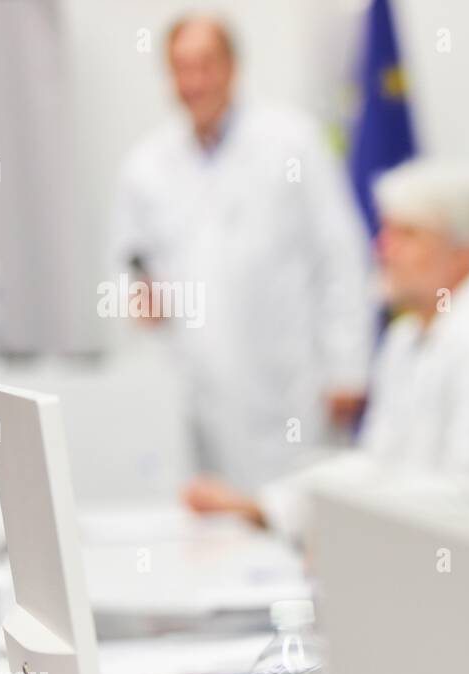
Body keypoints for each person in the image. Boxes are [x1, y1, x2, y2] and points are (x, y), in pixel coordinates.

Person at [185, 159, 469, 538]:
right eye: (386, 231)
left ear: (463, 254)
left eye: (407, 235)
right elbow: (375, 464)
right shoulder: (405, 338)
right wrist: (265, 506)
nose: (383, 248)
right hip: (410, 547)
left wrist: (349, 521)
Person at [109, 16, 371, 489]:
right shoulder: (146, 167)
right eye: (180, 68)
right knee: (215, 531)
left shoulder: (293, 142)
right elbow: (130, 266)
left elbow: (340, 253)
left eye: (205, 65)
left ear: (233, 68)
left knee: (298, 516)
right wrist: (138, 300)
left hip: (288, 379)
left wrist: (347, 366)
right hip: (198, 384)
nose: (193, 82)